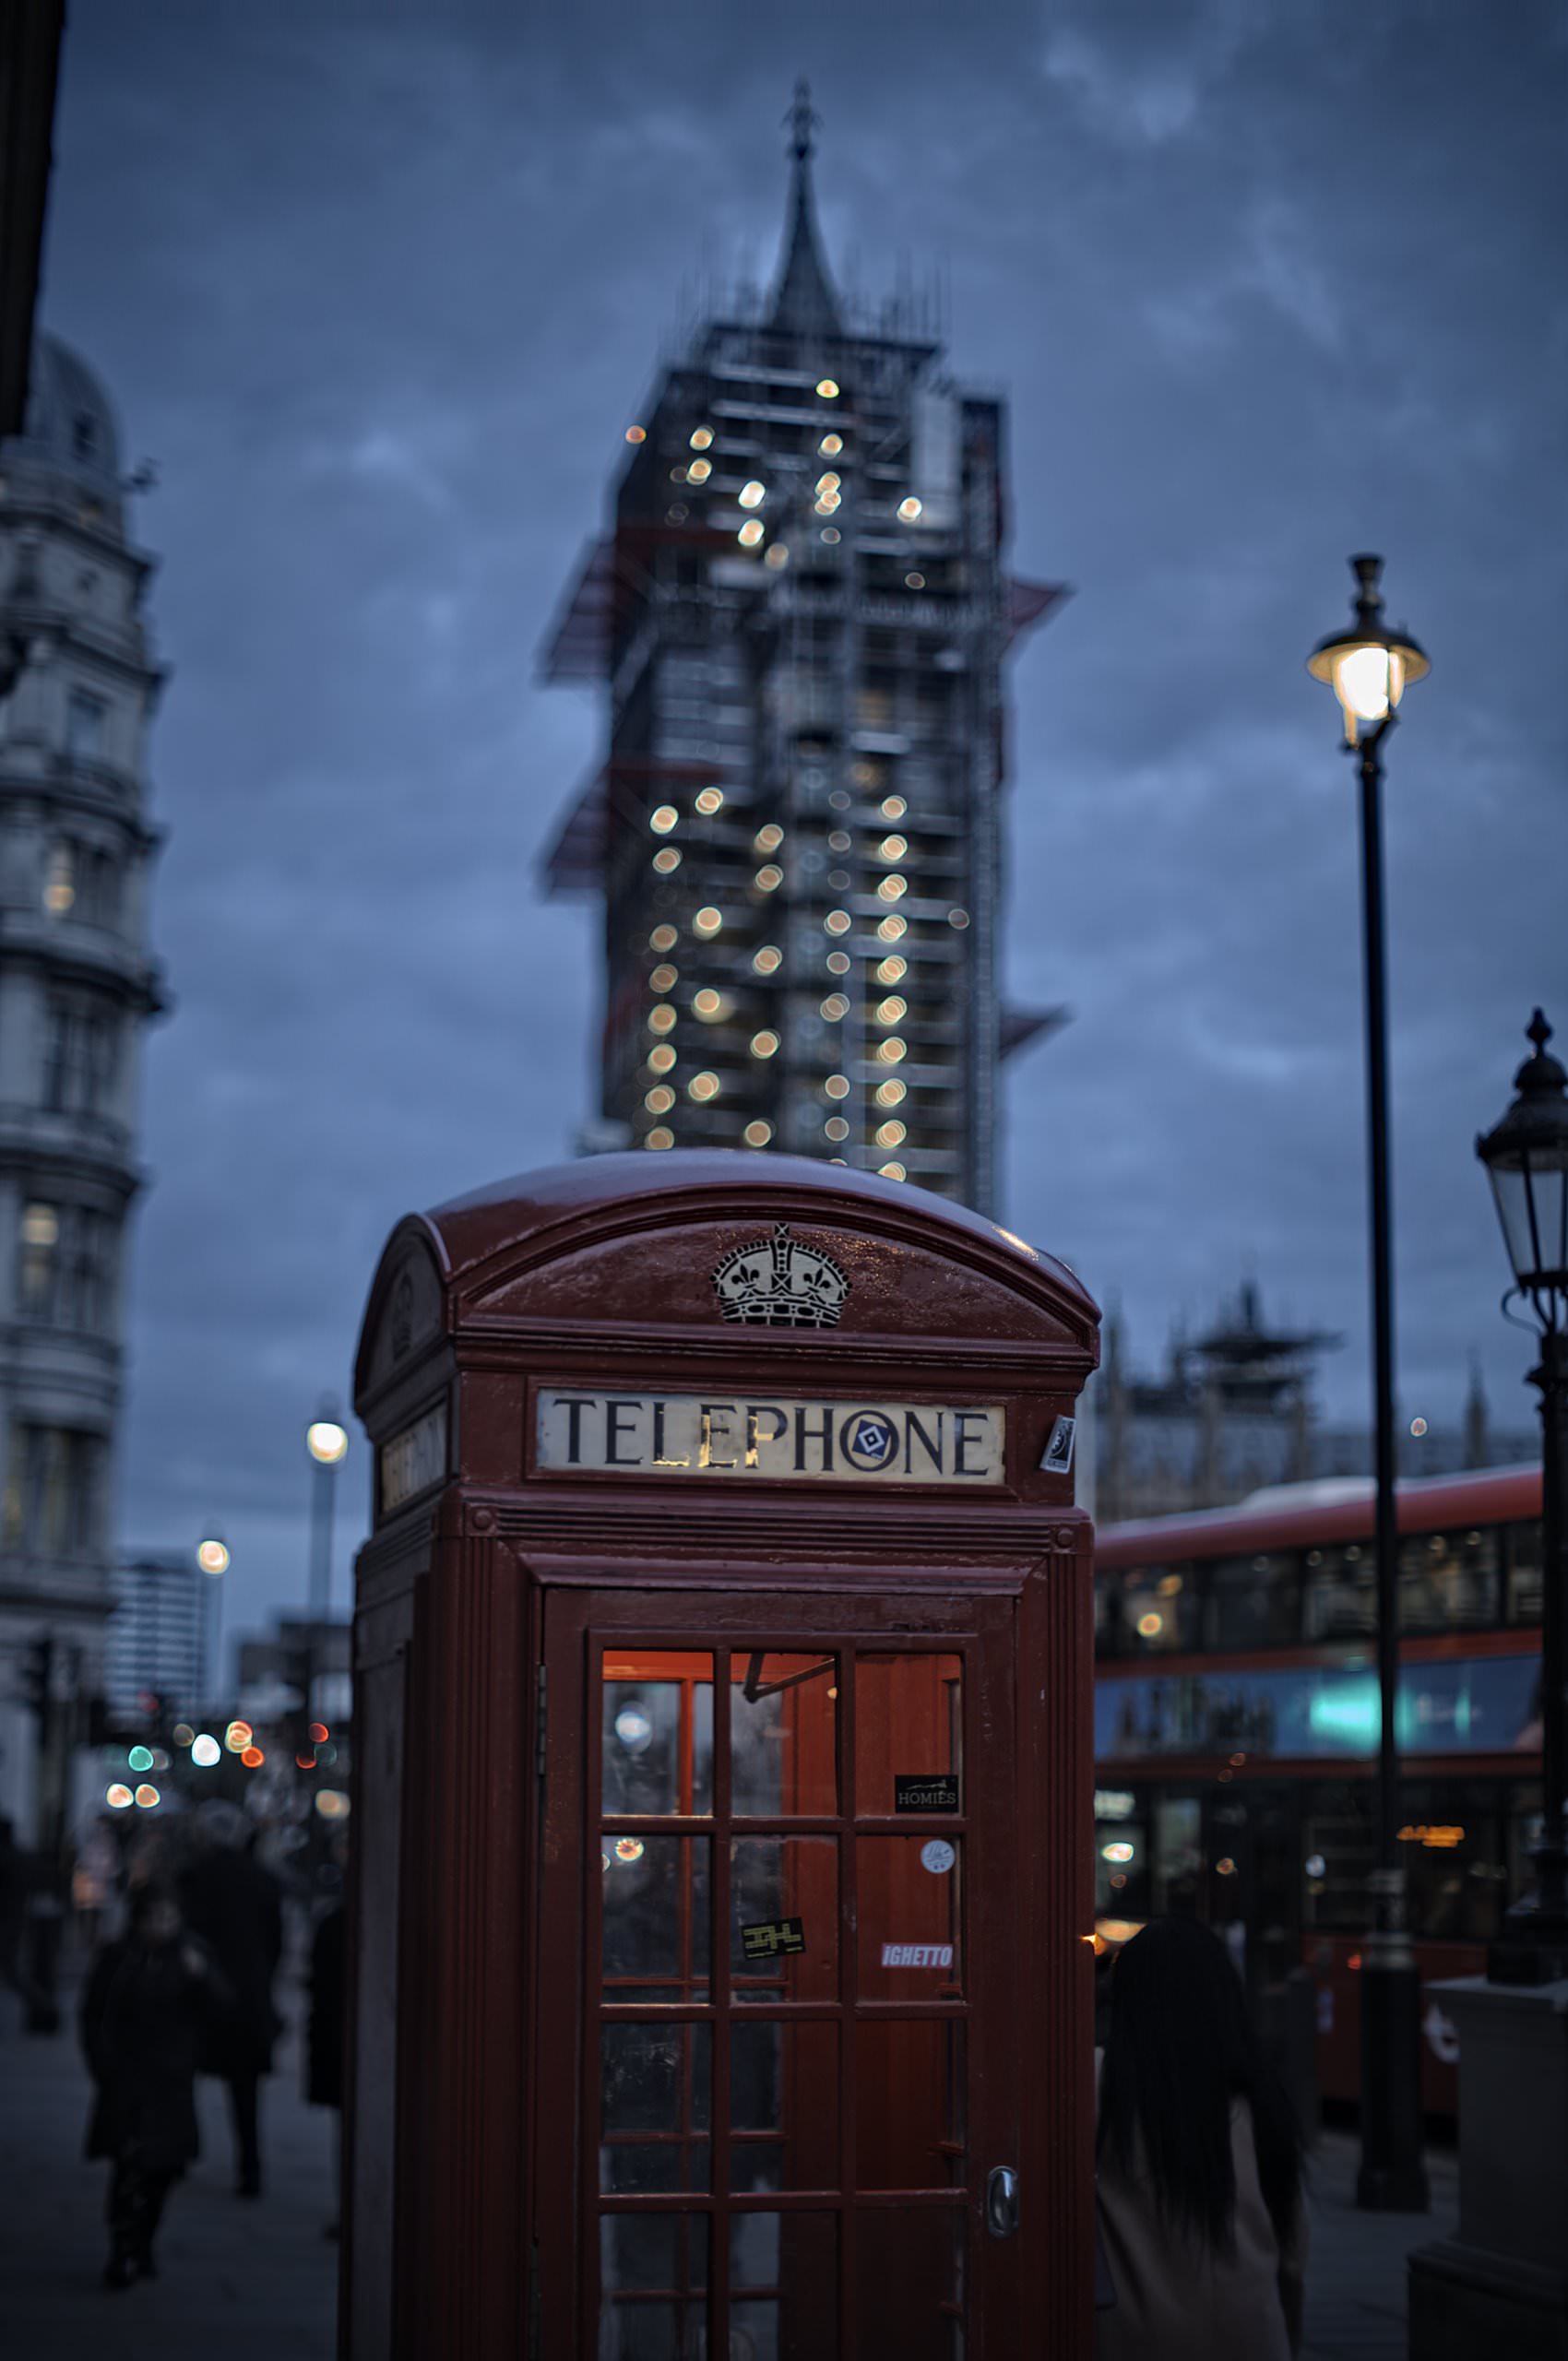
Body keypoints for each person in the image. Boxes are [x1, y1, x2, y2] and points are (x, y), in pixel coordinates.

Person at [1095, 1916, 1307, 2359]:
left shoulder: (1099, 2085)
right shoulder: (1260, 2099)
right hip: (1252, 2336)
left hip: (1135, 2341)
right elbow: (1292, 2253)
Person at [79, 1883, 223, 2287]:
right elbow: (94, 2013)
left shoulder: (192, 1954)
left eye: (168, 1918)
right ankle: (123, 2246)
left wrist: (202, 1978)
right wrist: (102, 2065)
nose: (161, 1926)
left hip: (172, 2079)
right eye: (154, 1917)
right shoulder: (119, 1956)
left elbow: (221, 2011)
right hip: (127, 2076)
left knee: (164, 2168)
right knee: (129, 2164)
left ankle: (145, 2240)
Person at [178, 1802, 284, 2196]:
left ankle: (179, 2154)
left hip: (199, 1993)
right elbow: (276, 1944)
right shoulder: (263, 1879)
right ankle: (250, 2168)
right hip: (248, 1997)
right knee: (245, 2091)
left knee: (182, 2078)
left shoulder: (192, 1876)